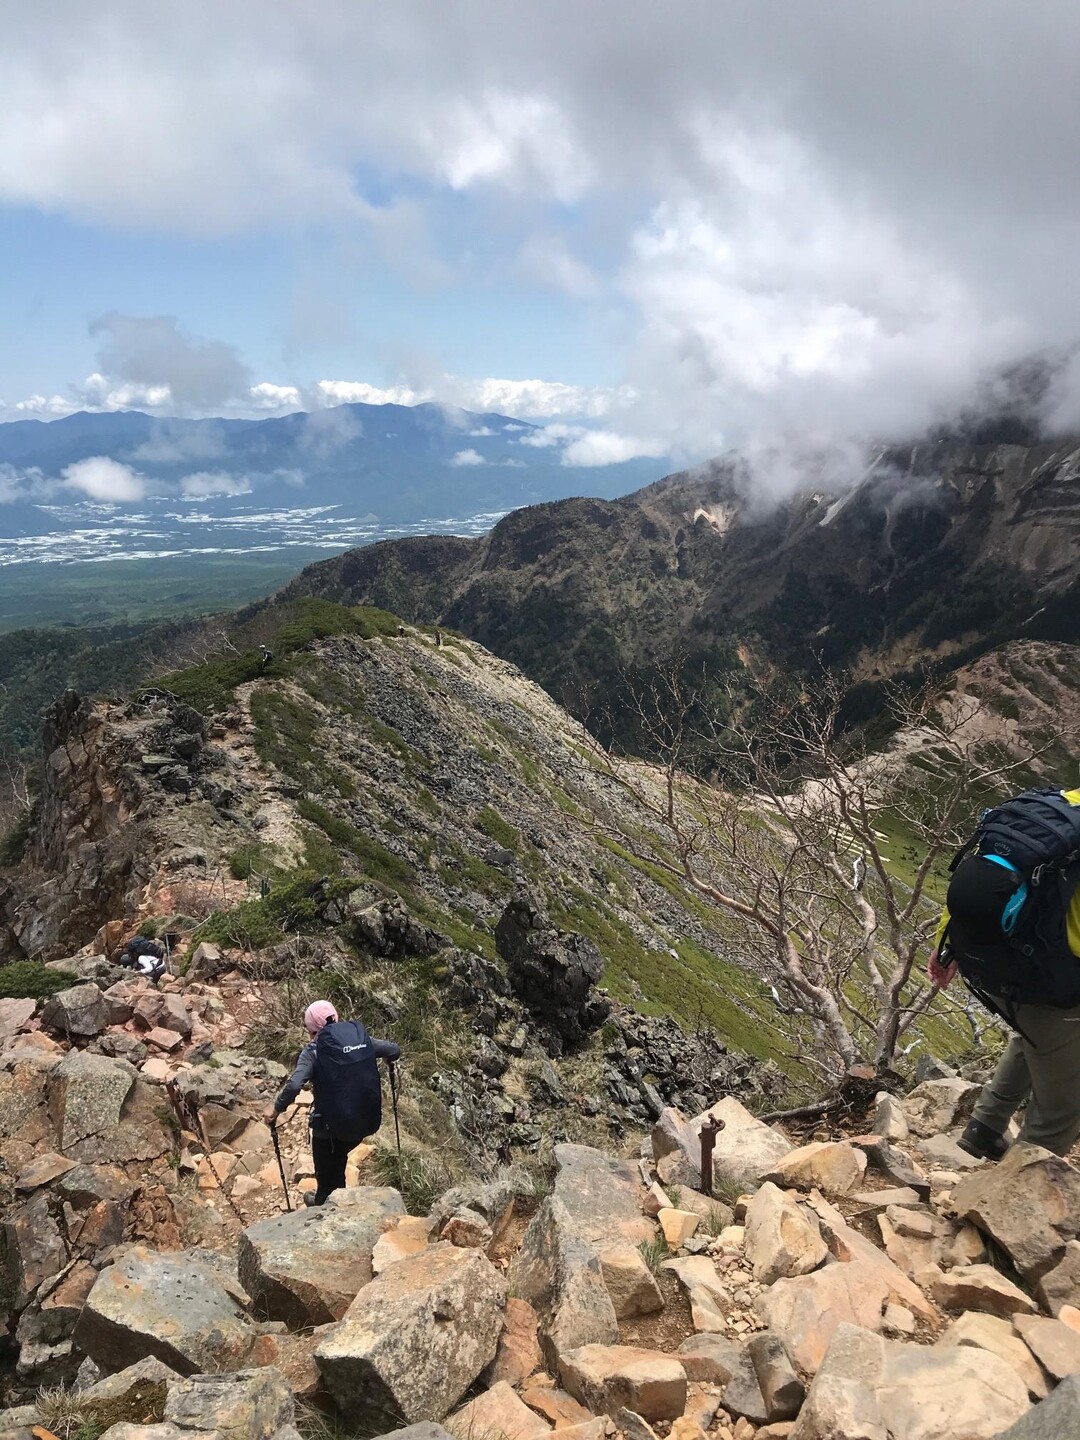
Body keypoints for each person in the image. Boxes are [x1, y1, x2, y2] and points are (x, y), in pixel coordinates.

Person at [928, 786, 1080, 1161]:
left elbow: (981, 869)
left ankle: (983, 1129)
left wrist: (946, 946)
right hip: (1052, 979)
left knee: (1036, 1035)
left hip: (991, 959)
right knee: (1061, 1106)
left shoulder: (1052, 805)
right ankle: (1026, 1181)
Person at [263, 1000, 401, 1206]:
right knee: (338, 1160)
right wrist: (386, 1059)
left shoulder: (313, 1051)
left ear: (311, 1029)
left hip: (329, 1132)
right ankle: (331, 1195)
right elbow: (394, 1050)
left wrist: (276, 1109)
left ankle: (326, 1204)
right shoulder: (361, 1041)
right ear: (335, 1017)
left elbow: (294, 1085)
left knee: (329, 1178)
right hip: (363, 1122)